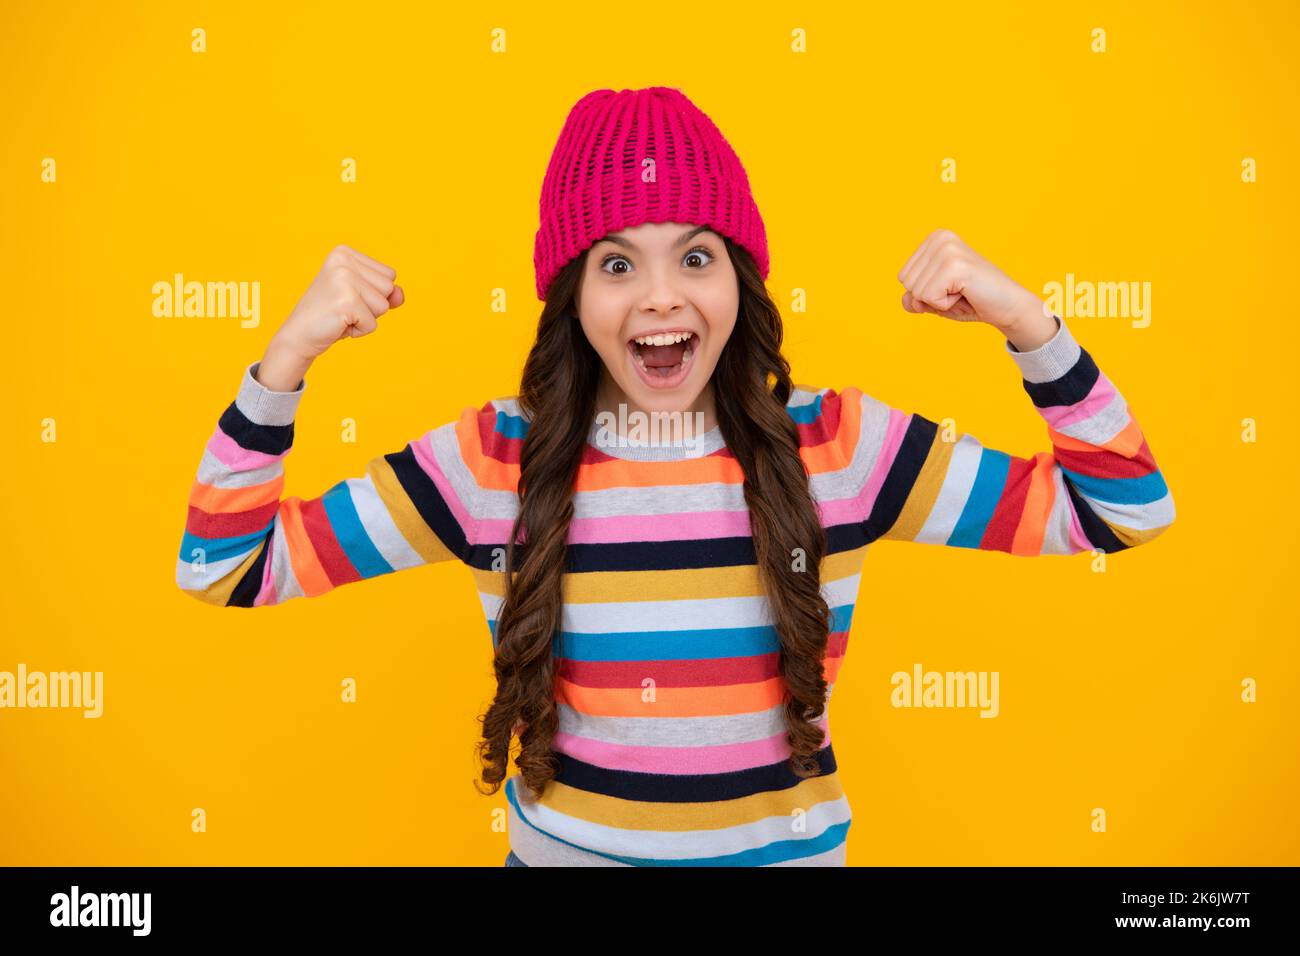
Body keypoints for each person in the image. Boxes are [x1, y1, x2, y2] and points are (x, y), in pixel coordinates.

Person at [175, 86, 1175, 867]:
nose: (660, 297)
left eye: (695, 257)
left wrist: (1027, 323)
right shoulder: (495, 462)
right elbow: (226, 566)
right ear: (571, 295)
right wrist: (286, 360)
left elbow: (1123, 508)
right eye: (616, 264)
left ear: (738, 277)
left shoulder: (841, 448)